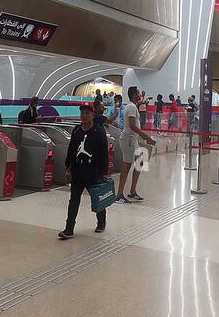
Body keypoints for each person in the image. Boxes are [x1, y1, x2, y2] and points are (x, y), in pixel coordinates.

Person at [59, 103, 110, 239]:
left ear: (93, 115)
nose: (84, 115)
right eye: (82, 113)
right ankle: (69, 229)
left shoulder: (99, 131)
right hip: (78, 171)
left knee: (97, 197)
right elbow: (71, 151)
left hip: (93, 172)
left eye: (87, 113)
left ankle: (101, 221)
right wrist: (68, 168)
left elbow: (104, 153)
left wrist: (104, 172)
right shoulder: (76, 131)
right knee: (74, 200)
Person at [117, 86, 157, 204]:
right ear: (134, 94)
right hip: (128, 139)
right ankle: (119, 195)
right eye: (139, 92)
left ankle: (132, 191)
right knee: (127, 165)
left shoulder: (133, 106)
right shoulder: (131, 106)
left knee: (140, 162)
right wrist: (147, 137)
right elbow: (133, 126)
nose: (140, 94)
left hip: (133, 139)